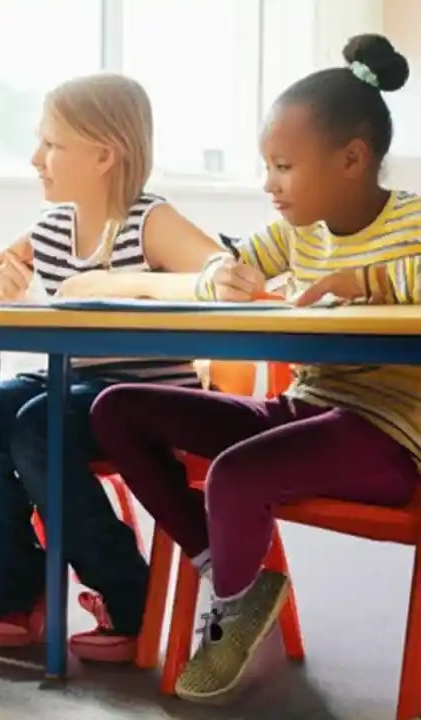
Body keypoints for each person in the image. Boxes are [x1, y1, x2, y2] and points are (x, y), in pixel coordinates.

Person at [91, 34, 418, 701]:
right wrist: (222, 272)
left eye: (284, 165)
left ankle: (232, 607)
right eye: (267, 165)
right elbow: (227, 259)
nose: (269, 183)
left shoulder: (413, 221)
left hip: (386, 437)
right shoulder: (297, 229)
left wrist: (363, 282)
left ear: (352, 159)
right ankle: (228, 570)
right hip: (300, 410)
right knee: (116, 408)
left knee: (237, 475)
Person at [0, 73, 222, 662]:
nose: (35, 159)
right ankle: (19, 593)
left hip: (143, 399)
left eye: (51, 145)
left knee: (37, 426)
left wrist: (115, 280)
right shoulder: (51, 229)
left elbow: (225, 277)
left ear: (103, 154)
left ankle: (132, 595)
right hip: (76, 383)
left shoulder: (151, 221)